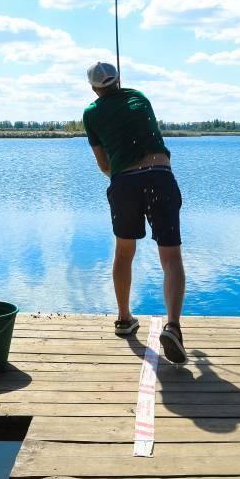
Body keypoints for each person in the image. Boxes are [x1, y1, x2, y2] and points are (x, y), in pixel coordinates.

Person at [82, 61, 187, 365]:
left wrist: (123, 175)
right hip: (159, 176)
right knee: (171, 258)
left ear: (93, 88)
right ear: (119, 80)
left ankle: (124, 318)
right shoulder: (139, 98)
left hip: (124, 182)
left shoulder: (91, 113)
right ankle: (173, 327)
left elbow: (105, 166)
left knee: (124, 252)